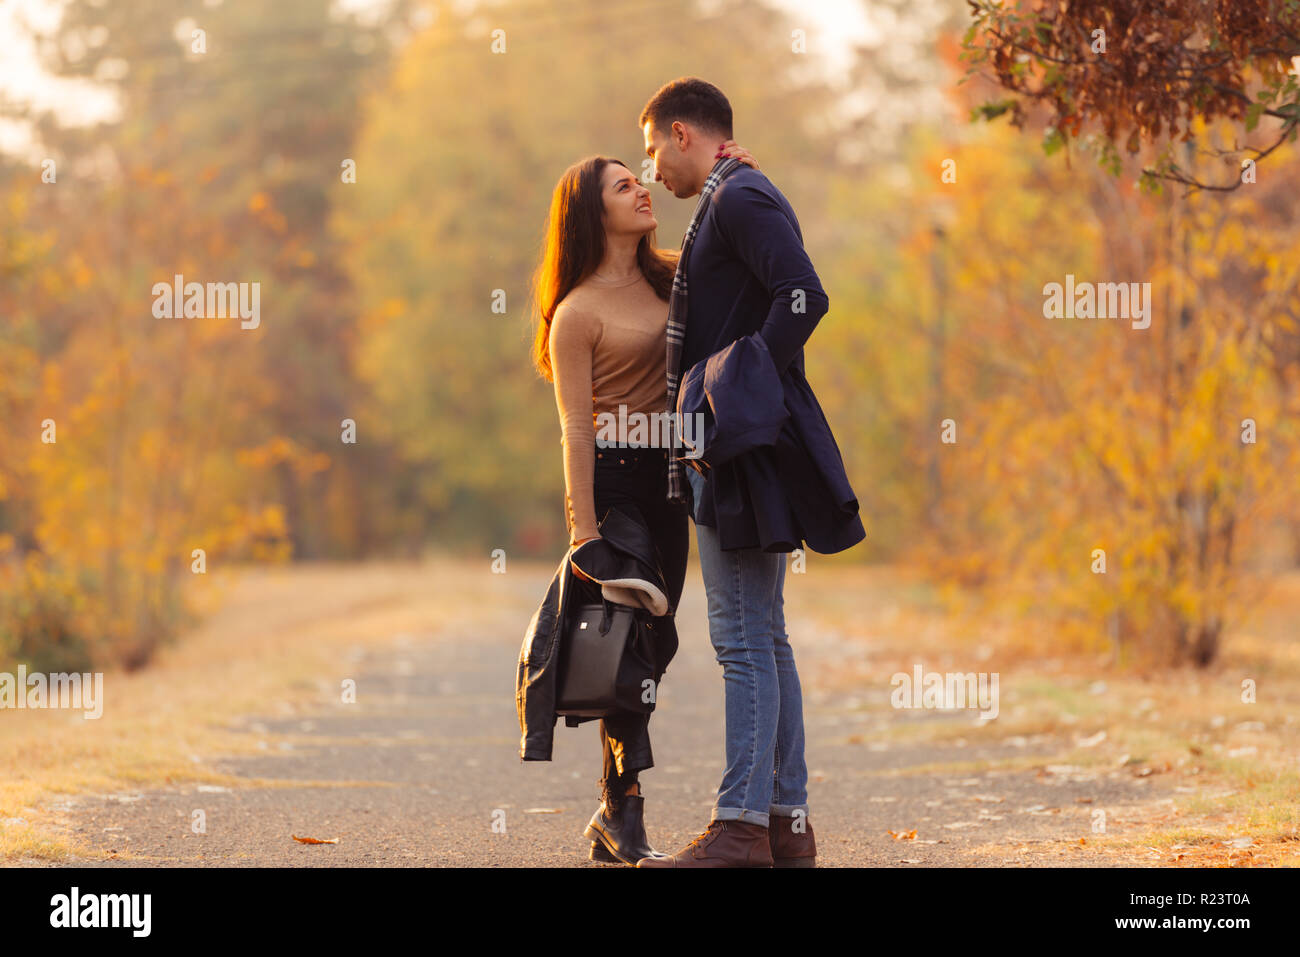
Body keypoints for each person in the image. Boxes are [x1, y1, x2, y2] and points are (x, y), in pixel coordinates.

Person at [634, 77, 866, 868]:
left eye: (651, 149)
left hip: (737, 446)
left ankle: (740, 825)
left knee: (740, 637)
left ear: (681, 133)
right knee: (764, 633)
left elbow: (805, 296)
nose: (652, 169)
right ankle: (784, 824)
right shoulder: (734, 195)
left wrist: (737, 384)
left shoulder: (738, 199)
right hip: (741, 442)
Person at [529, 139, 758, 865]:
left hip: (673, 483)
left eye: (640, 181)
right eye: (624, 187)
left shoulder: (672, 279)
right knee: (628, 638)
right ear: (591, 213)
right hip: (615, 486)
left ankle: (611, 807)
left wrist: (737, 176)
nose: (642, 190)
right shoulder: (575, 312)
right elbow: (573, 425)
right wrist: (583, 530)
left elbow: (730, 245)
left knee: (652, 644)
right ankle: (624, 810)